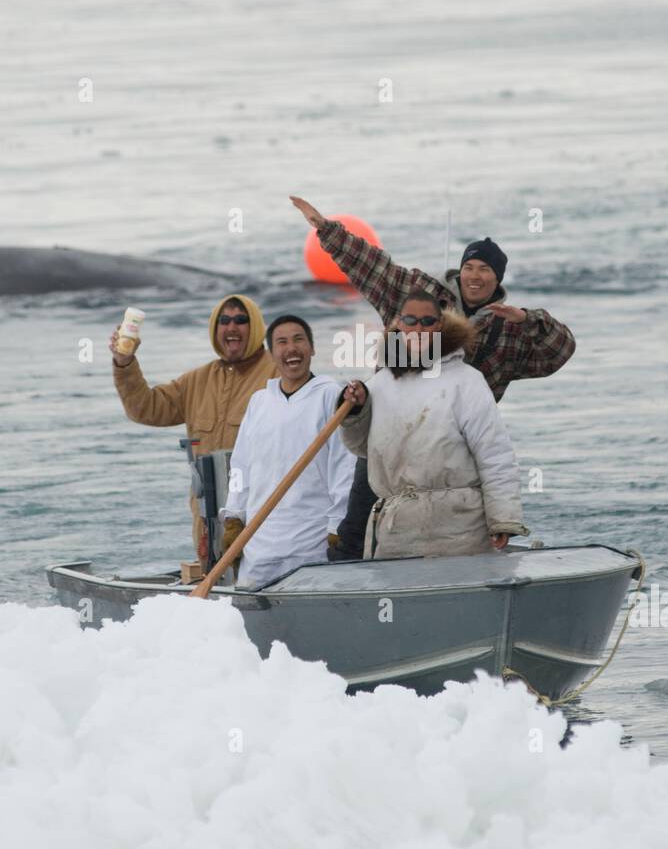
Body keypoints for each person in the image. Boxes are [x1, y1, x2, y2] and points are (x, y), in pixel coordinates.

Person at [290, 195, 574, 554]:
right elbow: (373, 266)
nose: (475, 275)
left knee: (455, 536)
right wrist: (327, 230)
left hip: (454, 451)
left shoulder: (509, 332)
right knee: (356, 530)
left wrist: (531, 320)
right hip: (390, 436)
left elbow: (559, 352)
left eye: (485, 269)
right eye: (470, 266)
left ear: (497, 278)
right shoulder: (420, 297)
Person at [339, 291, 528, 560]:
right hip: (397, 531)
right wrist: (355, 410)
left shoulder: (467, 381)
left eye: (427, 322)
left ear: (439, 327)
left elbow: (494, 453)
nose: (418, 328)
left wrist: (503, 518)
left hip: (460, 527)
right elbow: (359, 447)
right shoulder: (378, 384)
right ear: (398, 325)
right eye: (411, 320)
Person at [109, 293, 277, 563]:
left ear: (255, 327)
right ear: (215, 328)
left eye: (241, 320)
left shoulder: (276, 374)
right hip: (208, 520)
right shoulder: (196, 380)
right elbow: (145, 408)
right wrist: (124, 363)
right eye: (224, 320)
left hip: (263, 519)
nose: (231, 327)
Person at [220, 314, 356, 587]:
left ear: (312, 348)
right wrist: (234, 516)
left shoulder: (331, 396)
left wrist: (336, 526)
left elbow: (345, 467)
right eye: (281, 342)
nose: (291, 348)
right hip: (258, 545)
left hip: (310, 544)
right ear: (272, 354)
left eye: (298, 340)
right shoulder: (259, 402)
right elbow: (240, 466)